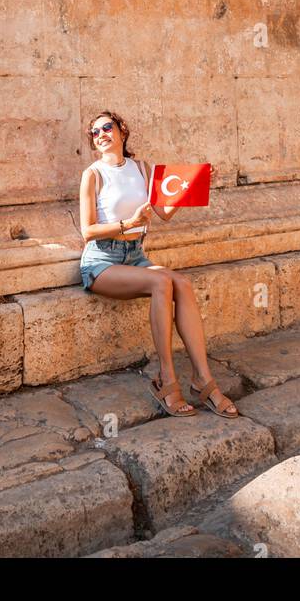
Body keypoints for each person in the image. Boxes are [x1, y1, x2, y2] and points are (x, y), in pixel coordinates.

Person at [78, 109, 239, 419]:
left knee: (182, 282)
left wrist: (198, 183)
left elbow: (162, 211)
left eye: (107, 128)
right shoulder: (93, 174)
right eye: (95, 133)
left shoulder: (141, 168)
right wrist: (129, 223)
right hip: (101, 261)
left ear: (122, 132)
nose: (101, 135)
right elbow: (88, 231)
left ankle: (203, 380)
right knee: (161, 281)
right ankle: (166, 379)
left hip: (136, 256)